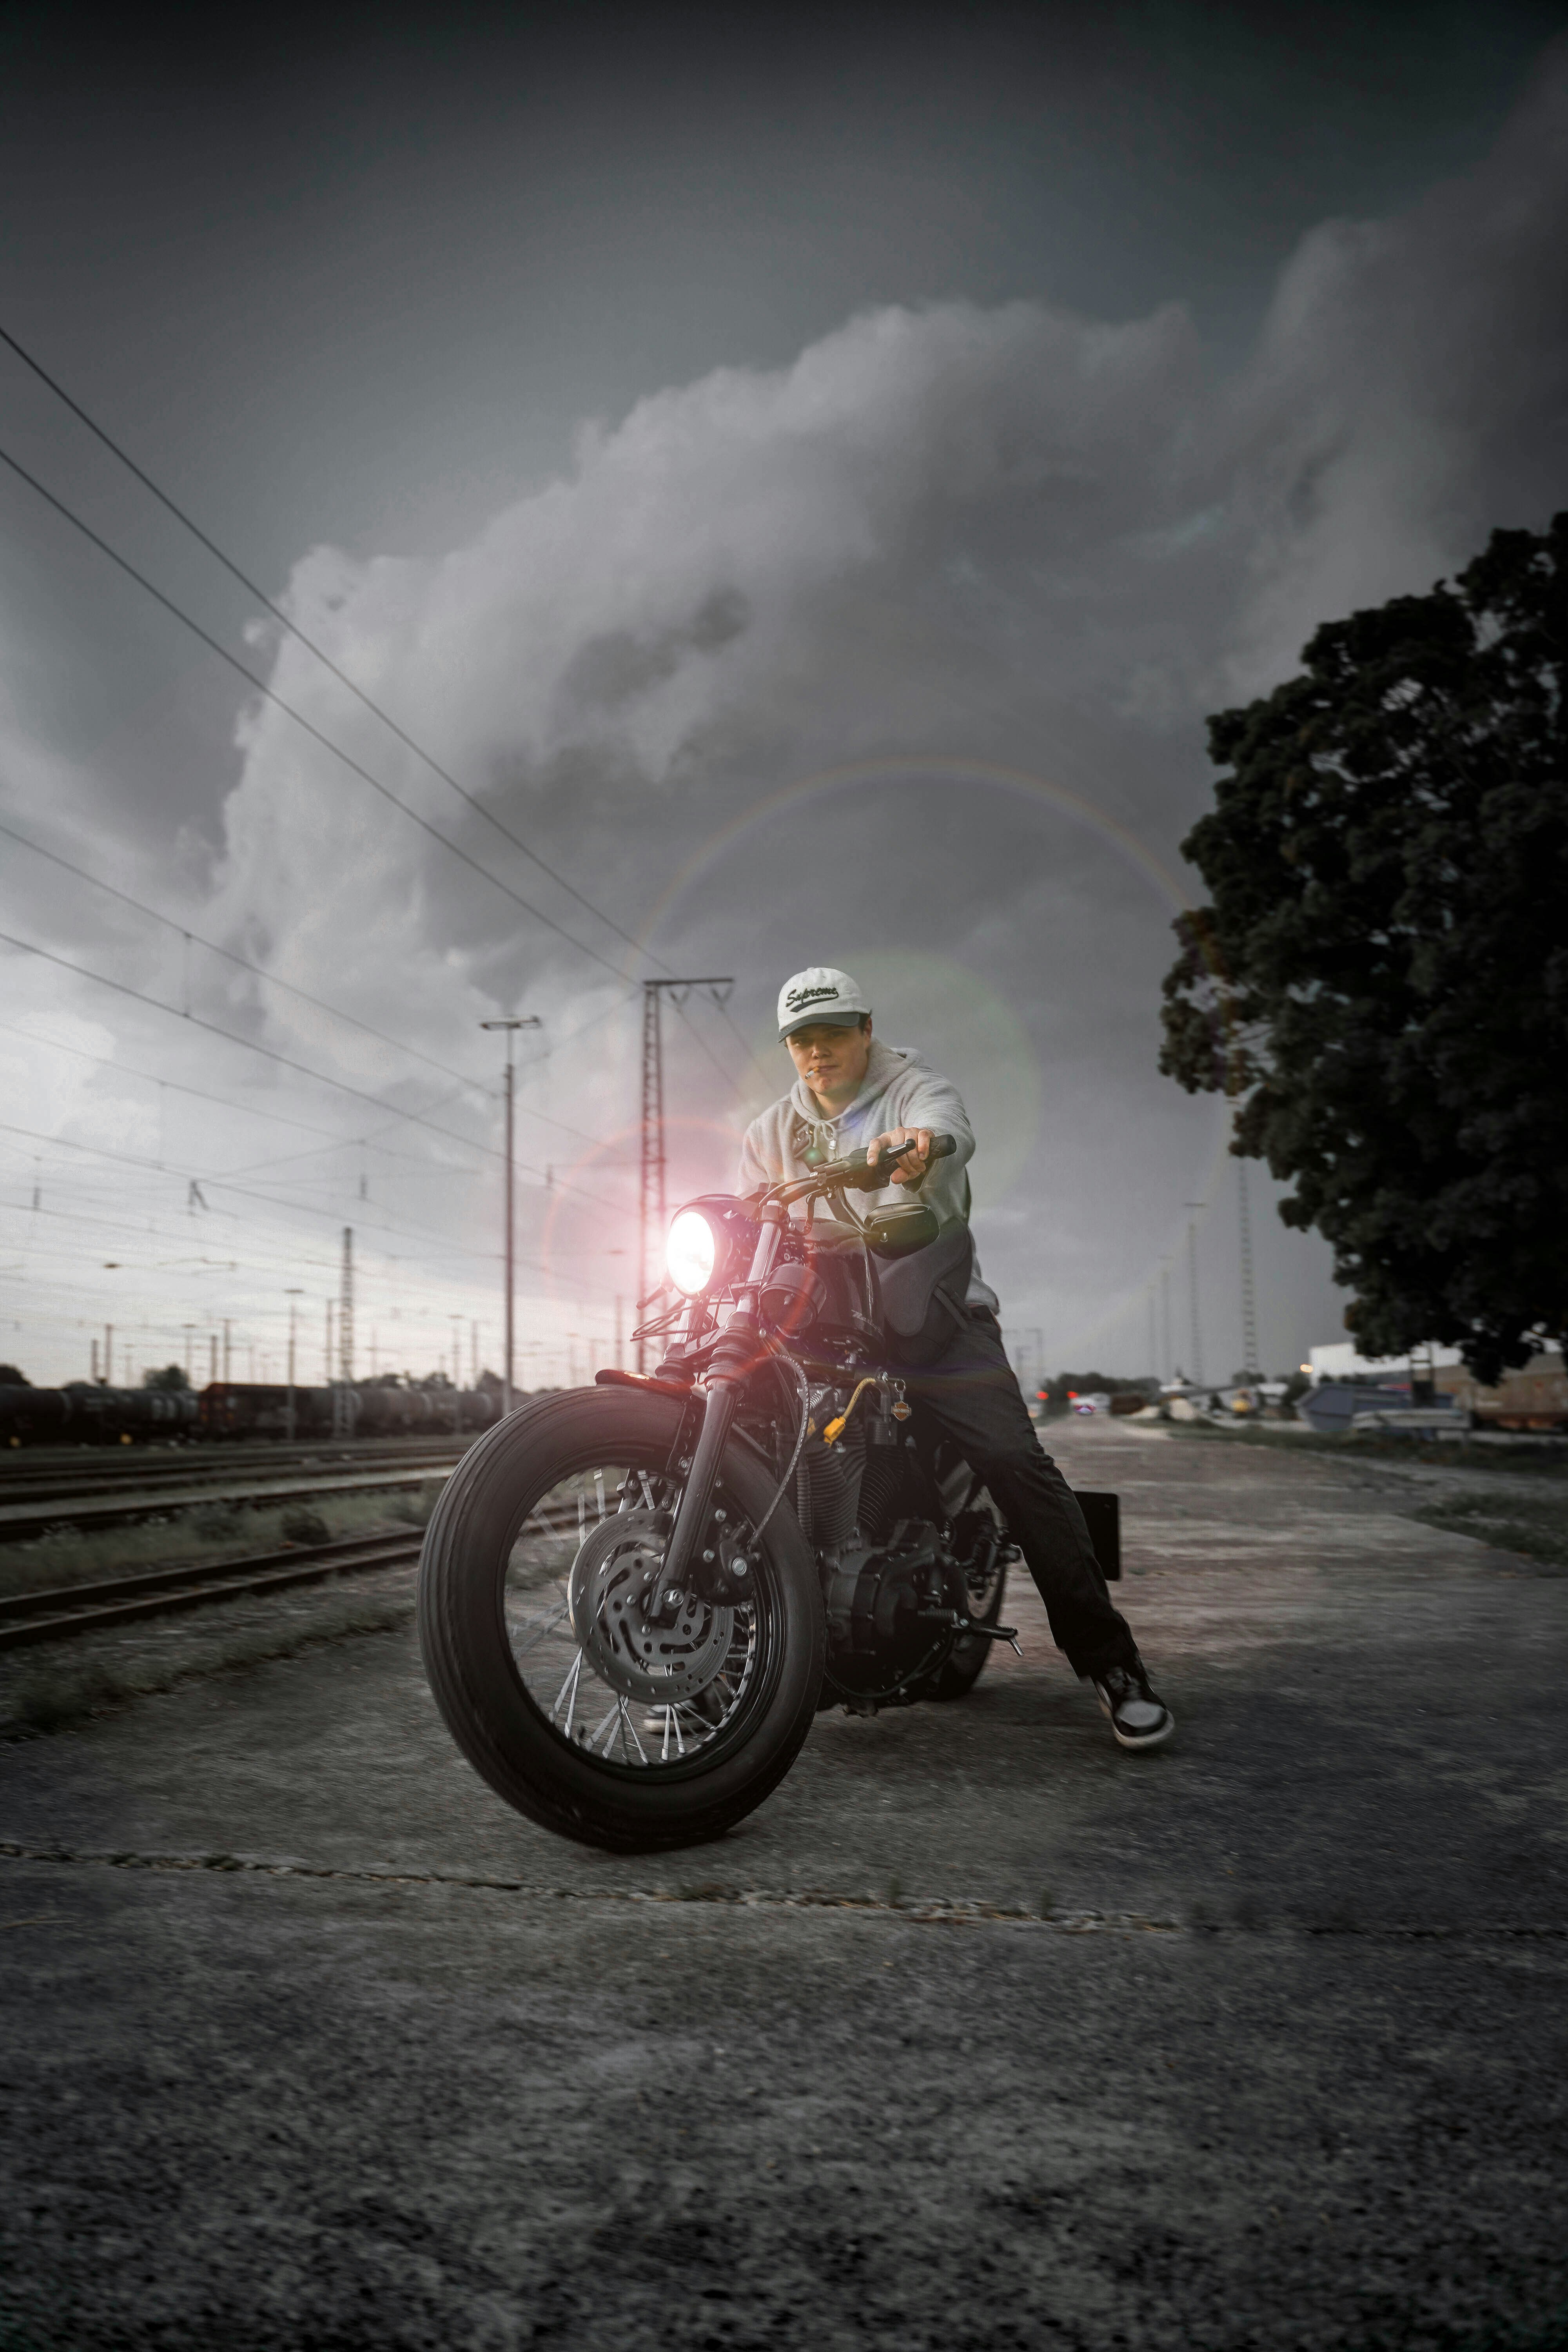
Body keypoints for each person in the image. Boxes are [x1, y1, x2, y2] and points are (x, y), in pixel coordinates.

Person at [737, 964, 1174, 1751]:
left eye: (831, 1033)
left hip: (929, 1310)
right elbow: (750, 1224)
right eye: (800, 1038)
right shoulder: (768, 1132)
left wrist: (919, 1144)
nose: (815, 1051)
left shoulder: (911, 1086)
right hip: (823, 1318)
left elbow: (950, 1128)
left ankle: (1112, 1667)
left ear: (865, 1030)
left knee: (1013, 1459)